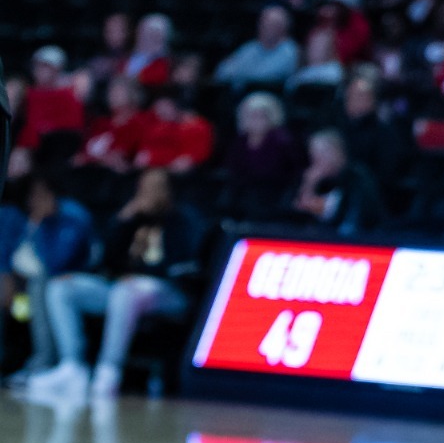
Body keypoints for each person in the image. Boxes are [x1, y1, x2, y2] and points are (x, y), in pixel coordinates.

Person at [30, 169, 199, 400]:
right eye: (144, 187)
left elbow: (182, 262)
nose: (148, 192)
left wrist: (144, 274)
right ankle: (72, 366)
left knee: (125, 291)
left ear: (168, 190)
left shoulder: (181, 219)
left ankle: (109, 370)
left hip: (167, 290)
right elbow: (107, 260)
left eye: (155, 187)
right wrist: (122, 221)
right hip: (121, 287)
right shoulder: (131, 217)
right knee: (61, 287)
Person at [0, 163, 96, 385]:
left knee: (42, 283)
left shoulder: (71, 214)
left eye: (37, 194)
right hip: (28, 285)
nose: (33, 200)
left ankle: (44, 362)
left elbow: (56, 263)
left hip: (71, 279)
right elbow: (15, 255)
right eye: (30, 195)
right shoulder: (26, 216)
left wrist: (41, 225)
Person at [221, 91, 304, 219]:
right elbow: (233, 170)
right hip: (244, 194)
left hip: (274, 194)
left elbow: (291, 171)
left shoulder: (282, 141)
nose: (256, 121)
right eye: (252, 116)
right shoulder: (240, 142)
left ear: (272, 117)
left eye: (261, 116)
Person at [293, 129, 384, 235]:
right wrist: (309, 184)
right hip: (320, 239)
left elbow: (353, 217)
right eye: (314, 156)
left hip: (357, 240)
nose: (317, 161)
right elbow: (298, 208)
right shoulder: (316, 179)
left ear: (337, 152)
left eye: (322, 155)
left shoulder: (357, 178)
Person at [214, 6, 300, 90]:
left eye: (271, 24)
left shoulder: (289, 50)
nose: (265, 28)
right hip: (241, 94)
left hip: (269, 95)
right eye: (263, 23)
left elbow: (267, 76)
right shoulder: (250, 47)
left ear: (283, 28)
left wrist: (240, 75)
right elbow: (222, 72)